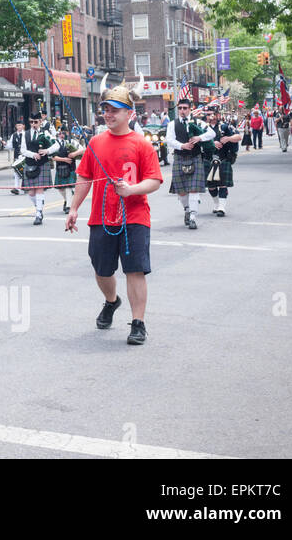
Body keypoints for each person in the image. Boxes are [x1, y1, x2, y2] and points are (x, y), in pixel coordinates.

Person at [66, 85, 163, 345]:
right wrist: (74, 208)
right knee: (102, 269)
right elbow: (85, 177)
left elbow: (154, 180)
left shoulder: (142, 145)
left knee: (135, 270)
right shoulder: (96, 143)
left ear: (129, 113)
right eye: (105, 110)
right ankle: (111, 301)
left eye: (114, 111)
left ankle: (138, 323)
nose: (108, 115)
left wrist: (131, 190)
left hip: (135, 217)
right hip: (101, 217)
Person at [167, 100, 214, 229]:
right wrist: (182, 145)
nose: (182, 110)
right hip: (179, 157)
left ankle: (193, 216)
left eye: (185, 108)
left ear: (190, 109)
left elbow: (212, 133)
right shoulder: (172, 124)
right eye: (180, 108)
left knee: (193, 189)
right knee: (181, 191)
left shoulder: (198, 122)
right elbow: (169, 140)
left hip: (195, 157)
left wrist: (200, 138)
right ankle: (187, 210)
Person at [20, 113, 59, 225]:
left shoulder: (45, 133)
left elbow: (56, 145)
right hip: (30, 163)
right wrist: (33, 155)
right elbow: (23, 150)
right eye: (31, 122)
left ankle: (38, 214)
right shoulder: (25, 134)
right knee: (31, 193)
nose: (33, 124)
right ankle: (39, 206)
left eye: (35, 122)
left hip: (42, 164)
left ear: (40, 122)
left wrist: (47, 151)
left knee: (39, 189)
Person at [204, 107, 242, 216]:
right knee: (211, 186)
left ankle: (221, 207)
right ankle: (216, 204)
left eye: (213, 114)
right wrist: (212, 143)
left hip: (223, 159)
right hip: (207, 159)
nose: (211, 117)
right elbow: (196, 140)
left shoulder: (225, 126)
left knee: (222, 184)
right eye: (208, 114)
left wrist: (228, 139)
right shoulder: (202, 127)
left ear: (217, 115)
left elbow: (238, 136)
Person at [53, 131, 85, 214]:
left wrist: (74, 153)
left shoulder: (72, 142)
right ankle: (68, 199)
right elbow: (53, 157)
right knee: (60, 189)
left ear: (67, 133)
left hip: (70, 168)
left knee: (68, 187)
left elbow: (82, 150)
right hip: (60, 168)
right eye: (59, 134)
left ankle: (68, 206)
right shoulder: (55, 143)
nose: (61, 135)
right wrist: (64, 160)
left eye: (63, 133)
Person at [8, 119, 26, 195]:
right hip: (16, 156)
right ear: (16, 126)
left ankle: (25, 186)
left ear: (23, 126)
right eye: (17, 125)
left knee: (25, 172)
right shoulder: (14, 135)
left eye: (20, 125)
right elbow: (10, 146)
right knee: (16, 172)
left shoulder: (26, 134)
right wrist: (6, 144)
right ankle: (16, 188)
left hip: (25, 156)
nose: (19, 127)